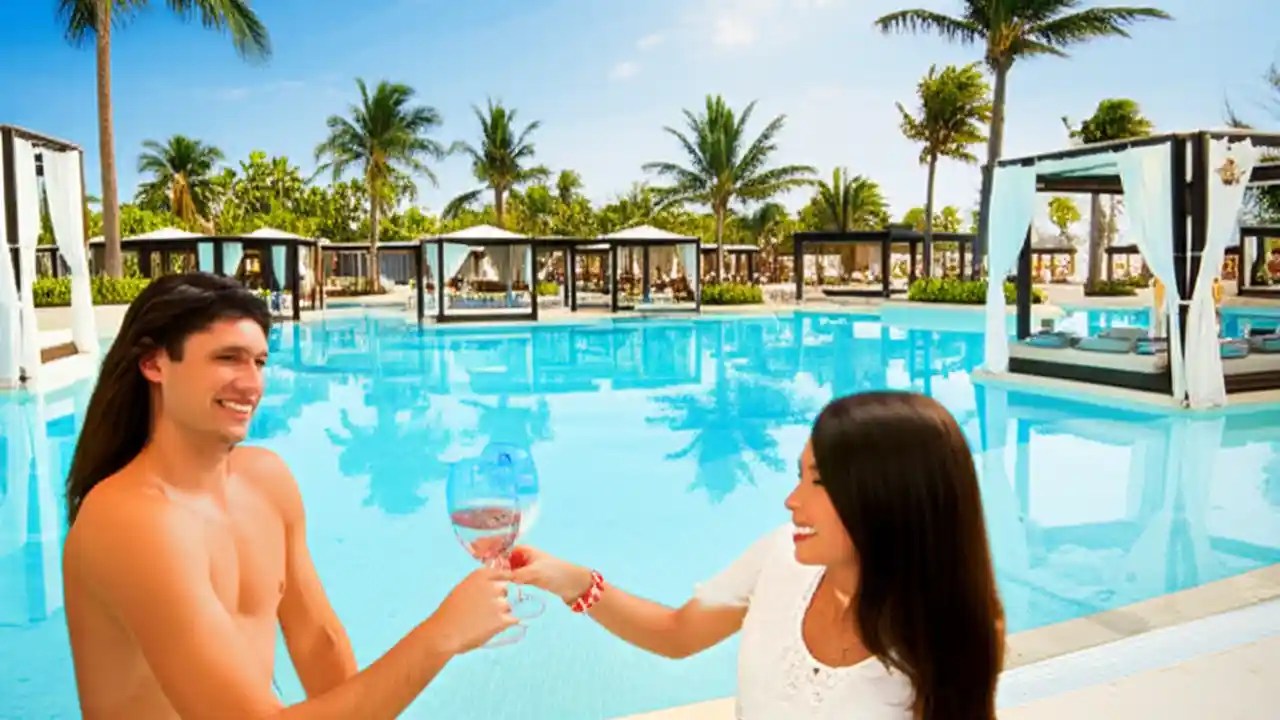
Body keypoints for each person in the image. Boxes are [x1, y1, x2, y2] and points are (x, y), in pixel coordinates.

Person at [61, 272, 517, 719]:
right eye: (228, 358)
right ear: (154, 363)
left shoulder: (265, 481)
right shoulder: (130, 520)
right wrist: (441, 636)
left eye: (258, 362)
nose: (251, 384)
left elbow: (317, 640)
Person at [511, 391, 1005, 720]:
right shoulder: (780, 560)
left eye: (819, 481)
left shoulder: (943, 636)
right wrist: (574, 583)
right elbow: (676, 633)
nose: (794, 500)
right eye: (799, 475)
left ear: (890, 495)